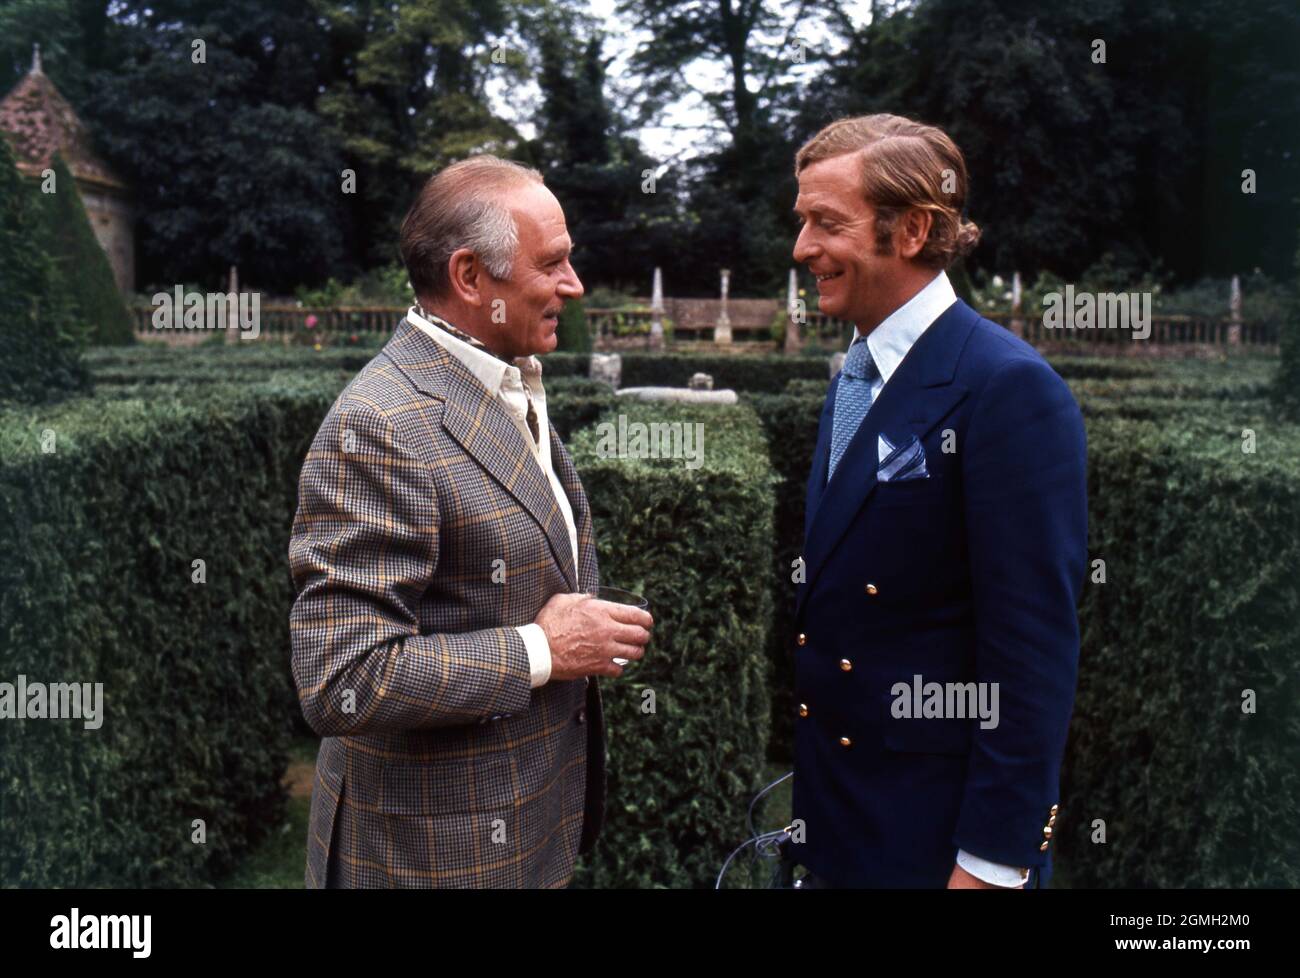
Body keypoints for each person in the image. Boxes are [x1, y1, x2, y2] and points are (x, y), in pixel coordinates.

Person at [288, 156, 652, 888]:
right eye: (553, 263)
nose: (573, 286)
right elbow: (340, 677)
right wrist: (541, 649)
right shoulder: (380, 426)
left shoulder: (497, 371)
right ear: (468, 277)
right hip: (430, 861)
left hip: (517, 836)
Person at [789, 114, 1087, 889]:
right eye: (802, 222)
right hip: (841, 827)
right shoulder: (857, 373)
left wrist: (992, 863)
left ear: (913, 229)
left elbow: (1031, 657)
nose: (801, 250)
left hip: (936, 850)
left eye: (827, 223)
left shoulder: (1008, 389)